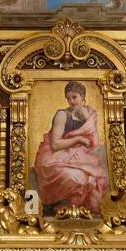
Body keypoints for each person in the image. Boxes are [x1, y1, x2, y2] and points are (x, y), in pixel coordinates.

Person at [33, 82, 108, 214]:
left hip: (77, 155)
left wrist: (86, 119)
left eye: (74, 97)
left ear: (83, 96)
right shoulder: (62, 115)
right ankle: (62, 207)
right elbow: (55, 145)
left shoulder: (89, 114)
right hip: (53, 156)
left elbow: (94, 143)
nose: (71, 101)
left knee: (95, 178)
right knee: (75, 176)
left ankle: (77, 210)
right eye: (68, 98)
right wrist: (78, 139)